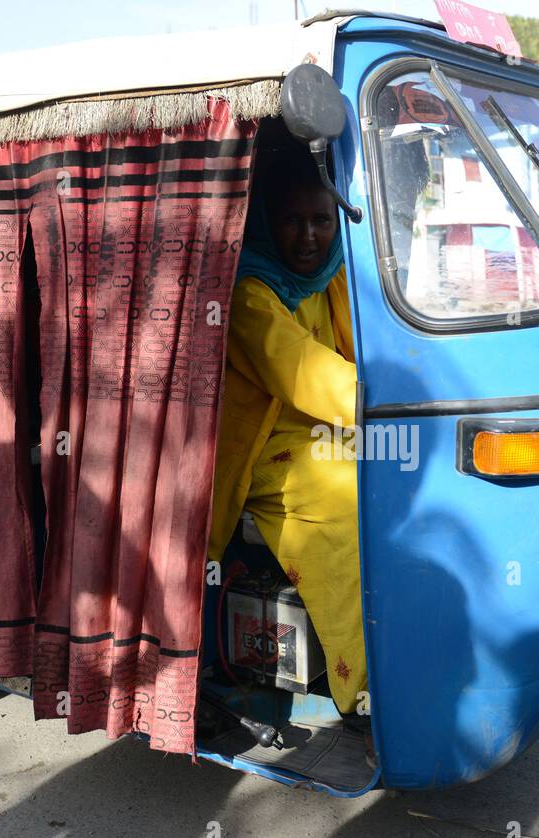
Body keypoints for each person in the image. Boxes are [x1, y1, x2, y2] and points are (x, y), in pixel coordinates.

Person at [208, 155, 367, 719]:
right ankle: (367, 692)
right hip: (268, 452)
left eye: (322, 221)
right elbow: (306, 373)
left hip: (337, 431)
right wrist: (388, 406)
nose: (308, 236)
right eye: (293, 221)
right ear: (266, 223)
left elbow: (381, 345)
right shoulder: (252, 293)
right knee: (356, 500)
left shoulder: (333, 276)